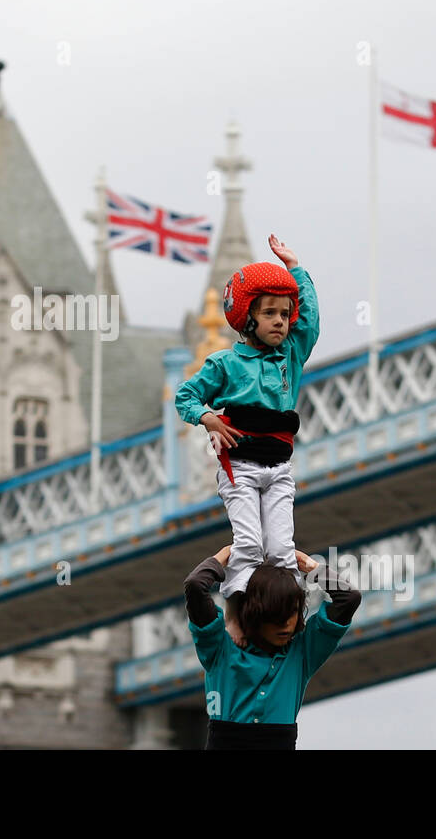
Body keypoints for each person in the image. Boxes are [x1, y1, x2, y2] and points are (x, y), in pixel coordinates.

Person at [174, 235, 319, 648]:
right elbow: (185, 396)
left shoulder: (291, 355)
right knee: (251, 545)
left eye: (285, 314)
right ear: (247, 318)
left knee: (282, 550)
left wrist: (296, 270)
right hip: (240, 468)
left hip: (279, 469)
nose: (281, 321)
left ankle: (292, 614)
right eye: (270, 312)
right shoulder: (225, 363)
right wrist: (208, 419)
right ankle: (236, 616)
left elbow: (311, 322)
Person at [183, 544, 361, 749]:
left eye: (292, 613)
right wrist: (228, 553)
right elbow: (195, 585)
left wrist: (311, 566)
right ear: (254, 613)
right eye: (276, 616)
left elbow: (349, 599)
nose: (285, 624)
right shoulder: (220, 649)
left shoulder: (302, 653)